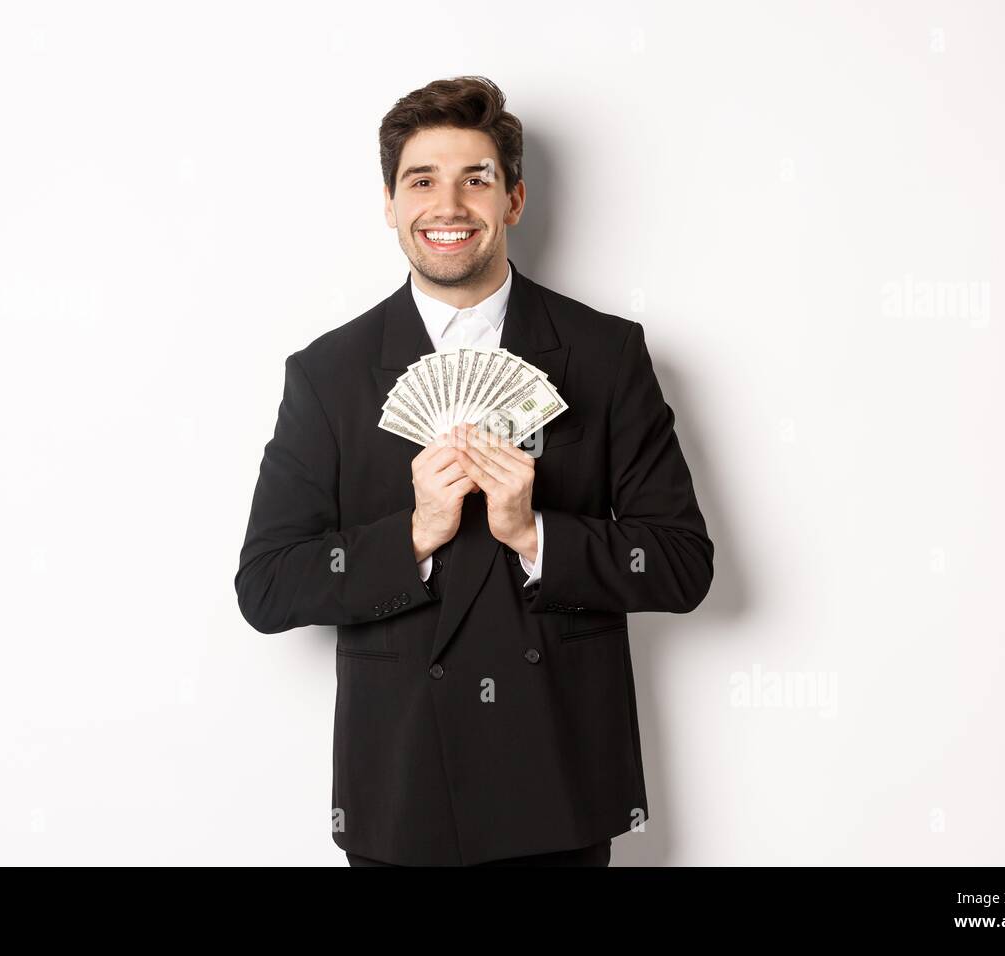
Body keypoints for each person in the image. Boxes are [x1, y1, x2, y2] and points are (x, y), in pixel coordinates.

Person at [235, 75, 714, 866]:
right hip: (398, 796)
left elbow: (682, 566)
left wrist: (536, 536)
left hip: (559, 785)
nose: (448, 206)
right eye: (422, 181)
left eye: (475, 180)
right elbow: (267, 585)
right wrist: (413, 536)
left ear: (514, 200)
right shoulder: (328, 374)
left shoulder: (606, 355)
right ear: (389, 203)